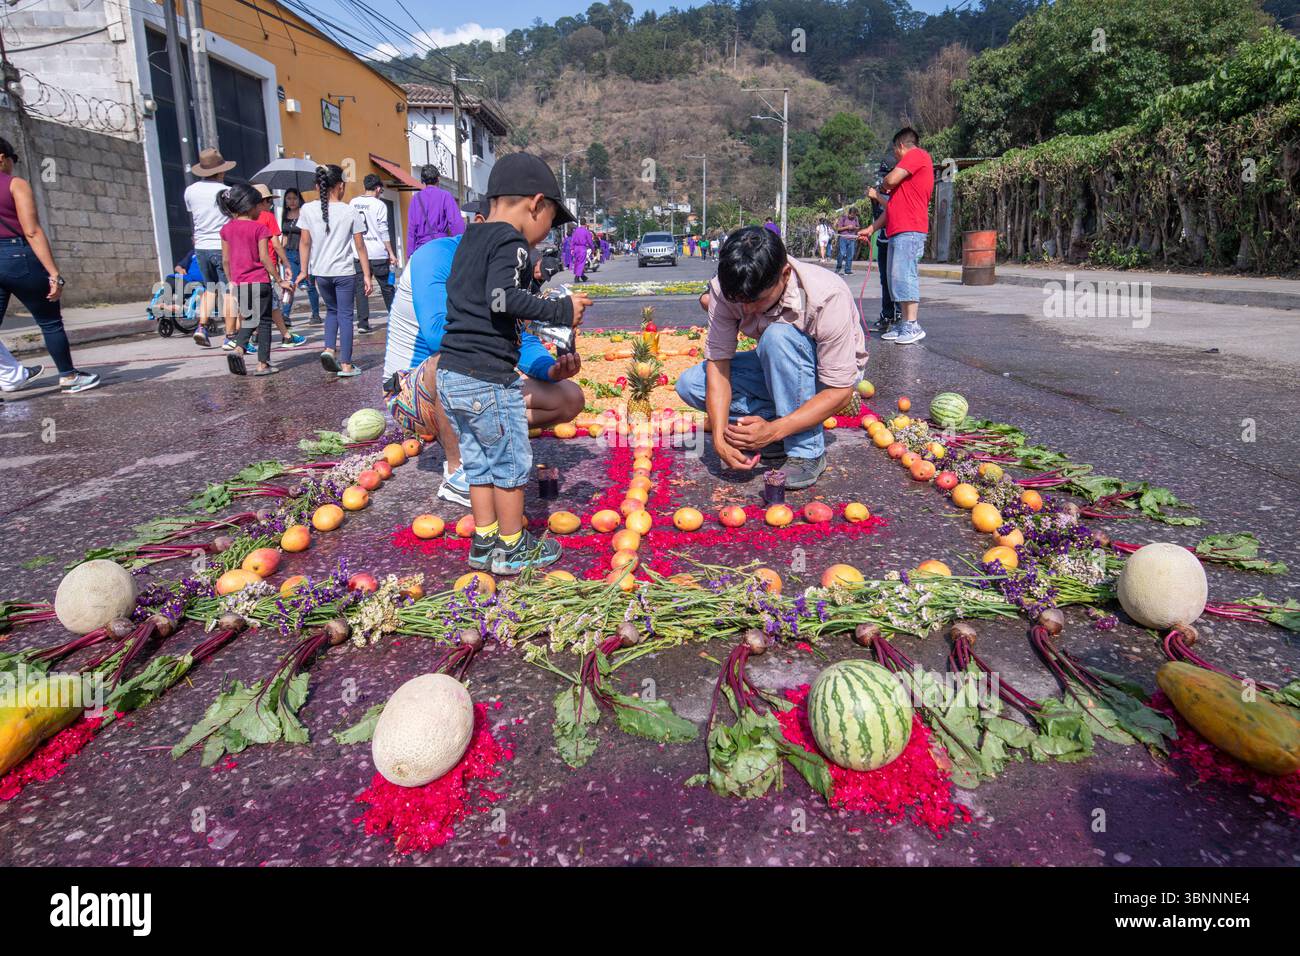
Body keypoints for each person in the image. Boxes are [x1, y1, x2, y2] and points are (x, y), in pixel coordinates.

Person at [437, 152, 589, 575]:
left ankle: (484, 542)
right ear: (535, 204)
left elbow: (487, 293)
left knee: (479, 462)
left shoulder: (473, 237)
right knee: (508, 461)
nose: (544, 236)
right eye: (550, 221)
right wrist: (560, 311)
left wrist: (535, 280)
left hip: (452, 373)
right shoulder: (511, 240)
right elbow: (500, 299)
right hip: (488, 378)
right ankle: (512, 546)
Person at [383, 202, 584, 507]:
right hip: (412, 390)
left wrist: (549, 369)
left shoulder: (509, 265)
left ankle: (485, 444)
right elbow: (438, 334)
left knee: (569, 396)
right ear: (479, 222)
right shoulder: (434, 256)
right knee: (454, 357)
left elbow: (517, 332)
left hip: (472, 382)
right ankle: (457, 473)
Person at [675, 225, 866, 491]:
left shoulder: (826, 295)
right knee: (692, 383)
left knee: (778, 337)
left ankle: (806, 451)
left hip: (828, 377)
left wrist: (774, 428)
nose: (747, 309)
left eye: (757, 300)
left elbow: (840, 391)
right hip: (781, 364)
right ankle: (776, 439)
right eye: (739, 301)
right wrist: (719, 439)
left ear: (784, 274)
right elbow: (719, 366)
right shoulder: (725, 289)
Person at [0, 136, 98, 393]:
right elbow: (31, 231)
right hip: (17, 256)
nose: (12, 165)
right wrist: (54, 273)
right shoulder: (15, 184)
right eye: (11, 160)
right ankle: (68, 377)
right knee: (50, 321)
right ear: (2, 157)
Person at [296, 164, 372, 377]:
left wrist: (303, 270)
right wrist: (366, 275)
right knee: (346, 316)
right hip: (344, 272)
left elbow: (304, 242)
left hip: (320, 272)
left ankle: (329, 349)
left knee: (331, 311)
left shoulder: (307, 210)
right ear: (340, 186)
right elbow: (360, 246)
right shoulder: (350, 211)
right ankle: (346, 364)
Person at [860, 127, 934, 345]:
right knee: (895, 279)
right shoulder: (906, 180)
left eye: (894, 151)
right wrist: (872, 228)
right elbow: (891, 208)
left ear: (901, 146)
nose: (894, 156)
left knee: (905, 275)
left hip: (910, 229)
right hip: (897, 229)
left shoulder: (917, 155)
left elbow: (890, 180)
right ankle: (903, 324)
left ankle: (912, 325)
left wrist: (882, 185)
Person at [218, 183, 293, 376]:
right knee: (265, 321)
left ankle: (239, 349)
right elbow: (264, 258)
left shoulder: (226, 229)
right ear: (250, 206)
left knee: (250, 320)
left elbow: (225, 259)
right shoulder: (259, 228)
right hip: (260, 281)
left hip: (240, 283)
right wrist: (279, 279)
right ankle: (263, 364)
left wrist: (231, 280)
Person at [185, 148, 239, 349]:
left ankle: (201, 327)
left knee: (209, 289)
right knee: (228, 292)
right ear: (221, 171)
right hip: (221, 245)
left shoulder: (190, 191)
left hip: (200, 246)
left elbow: (194, 215)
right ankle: (230, 335)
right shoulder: (225, 192)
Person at [251, 184, 306, 350]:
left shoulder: (243, 218)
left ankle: (255, 334)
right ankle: (285, 336)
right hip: (266, 265)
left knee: (254, 303)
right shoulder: (267, 217)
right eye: (269, 201)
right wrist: (286, 264)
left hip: (248, 266)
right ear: (265, 201)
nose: (270, 205)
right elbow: (275, 244)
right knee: (272, 303)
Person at [350, 174, 398, 335]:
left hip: (358, 252)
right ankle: (395, 318)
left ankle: (363, 323)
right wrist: (391, 252)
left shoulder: (353, 203)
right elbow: (383, 230)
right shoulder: (379, 205)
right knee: (386, 287)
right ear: (377, 188)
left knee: (361, 288)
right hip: (377, 252)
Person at [864, 161, 901, 336]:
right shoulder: (880, 192)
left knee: (897, 280)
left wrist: (878, 197)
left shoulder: (899, 190)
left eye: (886, 174)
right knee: (885, 281)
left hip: (896, 239)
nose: (883, 179)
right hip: (883, 240)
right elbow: (879, 215)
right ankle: (887, 315)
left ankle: (900, 315)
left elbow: (895, 210)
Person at [280, 188, 320, 323]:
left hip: (305, 253)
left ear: (299, 199)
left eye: (294, 198)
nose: (291, 201)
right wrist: (282, 255)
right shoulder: (285, 215)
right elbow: (284, 236)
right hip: (290, 253)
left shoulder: (305, 213)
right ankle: (285, 314)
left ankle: (315, 314)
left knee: (309, 285)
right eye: (288, 198)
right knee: (290, 284)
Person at [406, 165, 464, 255]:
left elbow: (411, 229)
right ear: (438, 178)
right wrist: (461, 246)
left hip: (422, 249)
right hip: (441, 247)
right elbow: (456, 223)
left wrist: (410, 254)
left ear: (422, 181)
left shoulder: (415, 199)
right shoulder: (445, 196)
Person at [834, 208, 860, 275]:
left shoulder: (856, 219)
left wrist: (853, 227)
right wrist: (847, 227)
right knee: (842, 253)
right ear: (848, 213)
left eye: (853, 216)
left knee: (850, 255)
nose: (852, 217)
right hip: (843, 238)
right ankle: (838, 268)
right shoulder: (843, 218)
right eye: (851, 215)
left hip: (852, 239)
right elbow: (838, 229)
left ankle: (848, 270)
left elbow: (858, 227)